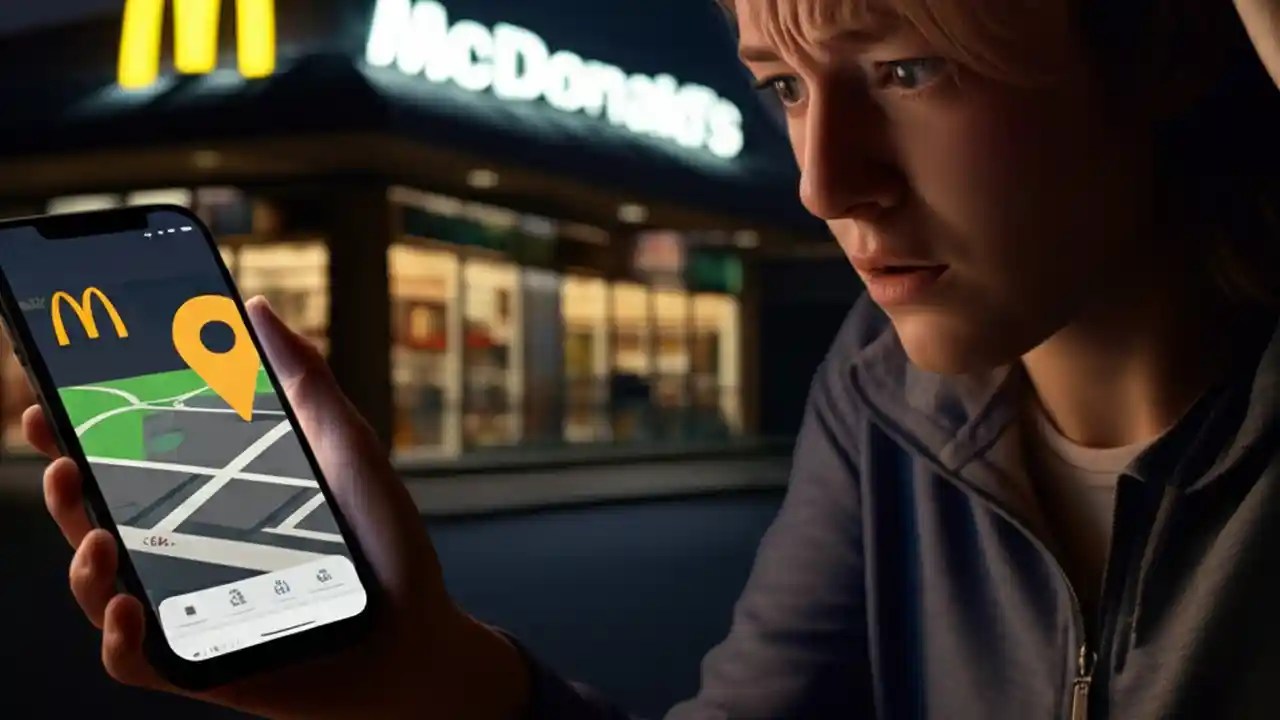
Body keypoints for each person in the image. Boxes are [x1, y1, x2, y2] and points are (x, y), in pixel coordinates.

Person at [22, 0, 1280, 717]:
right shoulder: (879, 391)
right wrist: (437, 679)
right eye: (783, 88)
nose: (822, 182)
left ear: (1161, 48)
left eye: (908, 68)